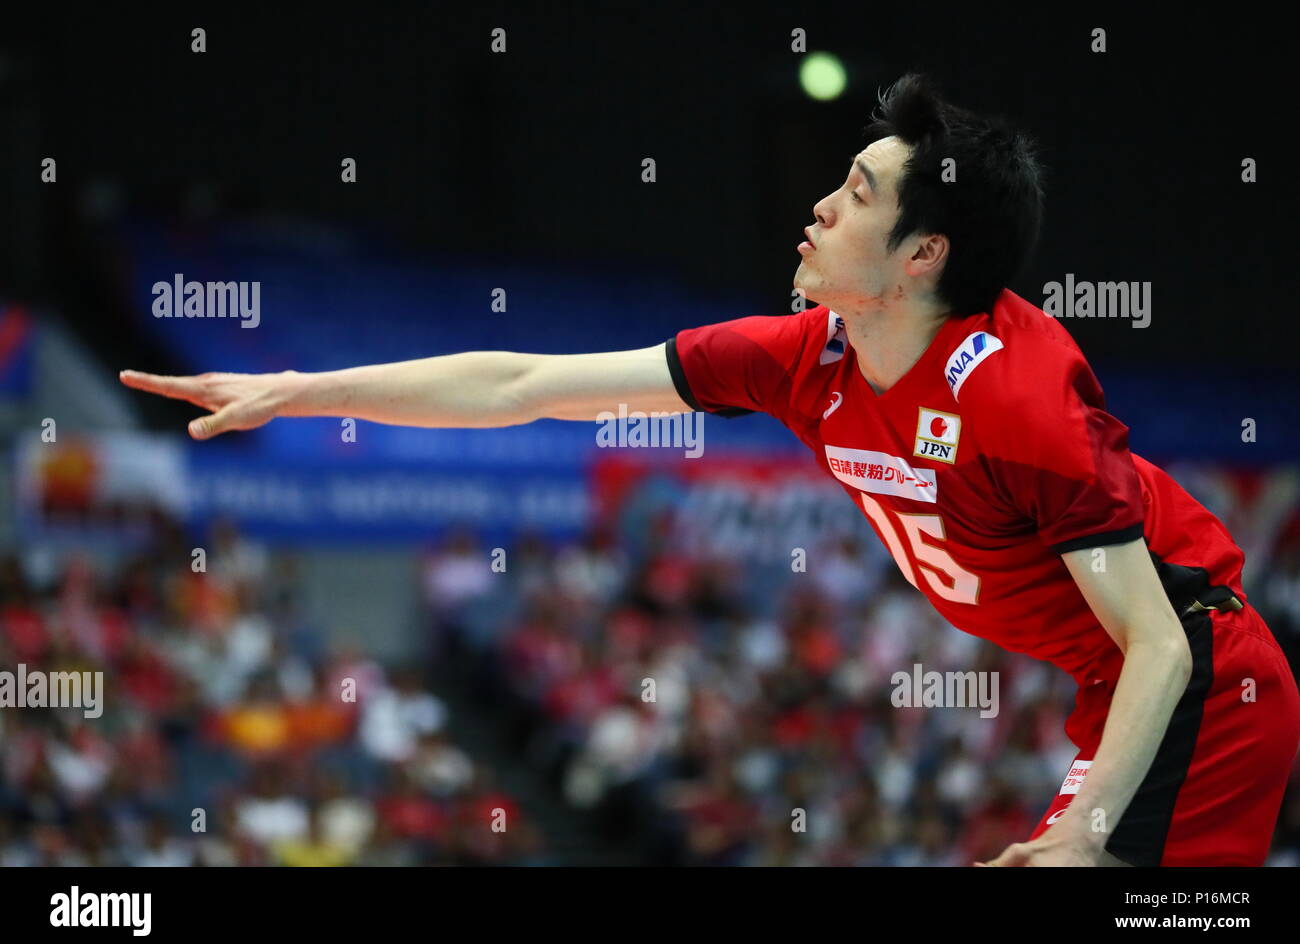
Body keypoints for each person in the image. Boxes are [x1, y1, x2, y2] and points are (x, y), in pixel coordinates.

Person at [119, 73, 1300, 867]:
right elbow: (523, 384)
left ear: (921, 255)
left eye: (855, 196)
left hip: (1209, 680)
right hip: (1118, 687)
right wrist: (298, 389)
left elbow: (1159, 639)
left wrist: (1089, 829)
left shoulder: (1022, 395)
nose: (818, 210)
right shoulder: (798, 361)